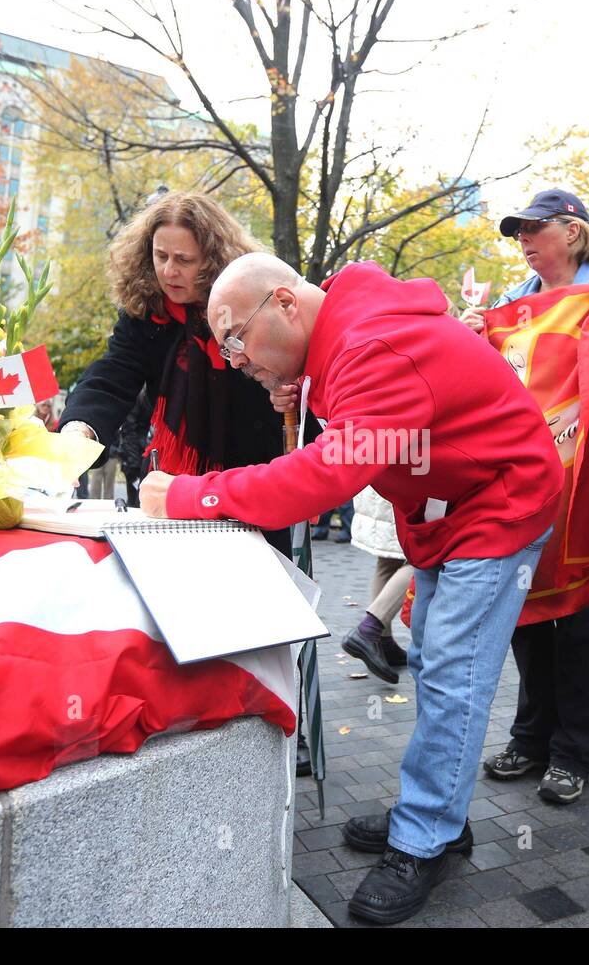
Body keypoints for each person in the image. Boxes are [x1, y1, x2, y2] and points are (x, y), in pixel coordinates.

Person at [139, 253, 563, 924]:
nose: (232, 359)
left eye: (235, 338)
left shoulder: (372, 343)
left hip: (497, 504)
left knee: (454, 670)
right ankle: (439, 813)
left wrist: (193, 493)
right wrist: (309, 383)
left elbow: (321, 478)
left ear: (283, 302)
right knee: (435, 660)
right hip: (453, 504)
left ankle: (425, 836)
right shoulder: (346, 329)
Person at [461, 189, 589, 803]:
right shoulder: (510, 309)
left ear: (571, 233)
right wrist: (467, 338)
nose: (524, 240)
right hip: (519, 485)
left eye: (535, 229)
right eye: (519, 232)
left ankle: (574, 752)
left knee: (576, 617)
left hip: (583, 483)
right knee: (524, 613)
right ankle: (530, 737)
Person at [58, 190, 286, 544]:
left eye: (184, 259)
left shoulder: (253, 306)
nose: (168, 271)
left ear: (213, 260)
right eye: (160, 256)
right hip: (170, 485)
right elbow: (112, 375)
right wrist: (79, 430)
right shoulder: (147, 311)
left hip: (253, 483)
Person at [341, 487, 413, 682]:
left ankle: (383, 642)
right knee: (423, 557)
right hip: (400, 488)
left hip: (378, 490)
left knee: (389, 560)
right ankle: (369, 631)